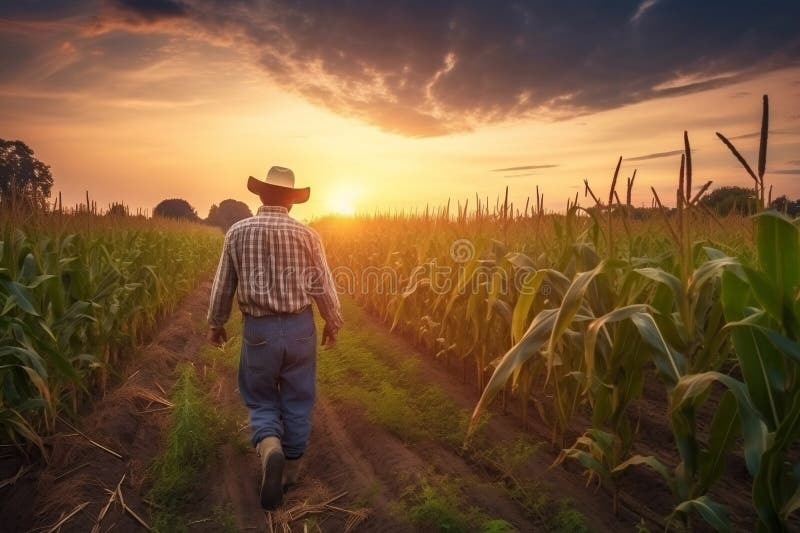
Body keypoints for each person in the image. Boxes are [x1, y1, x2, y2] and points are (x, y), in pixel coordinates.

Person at [206, 166, 343, 510]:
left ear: (261, 195)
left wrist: (216, 323)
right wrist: (333, 321)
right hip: (299, 329)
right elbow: (322, 285)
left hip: (259, 330)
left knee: (262, 397)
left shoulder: (237, 232)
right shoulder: (307, 235)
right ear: (292, 202)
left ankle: (270, 450)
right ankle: (291, 474)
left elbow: (224, 285)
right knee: (297, 397)